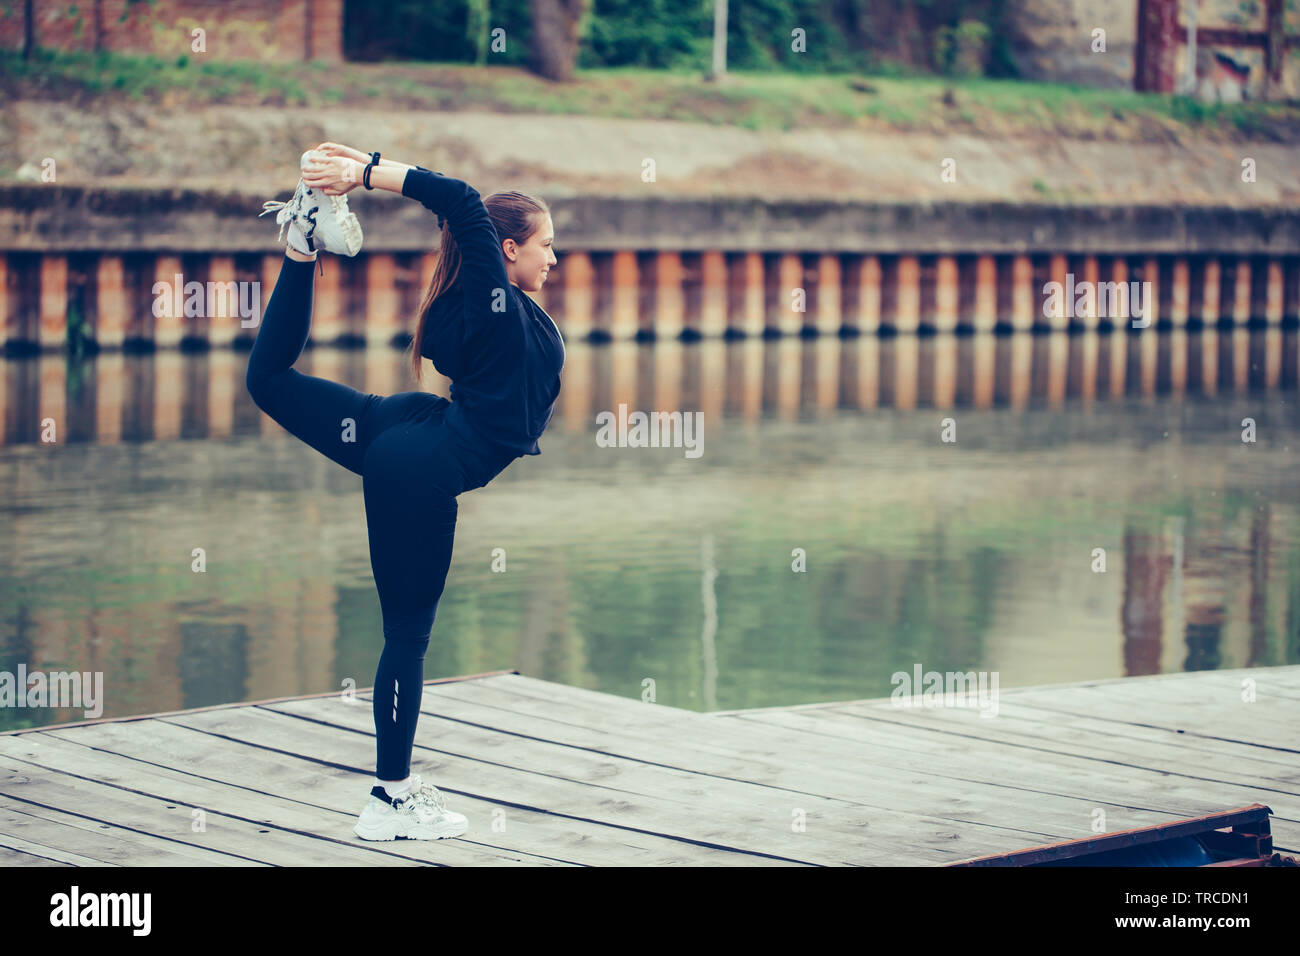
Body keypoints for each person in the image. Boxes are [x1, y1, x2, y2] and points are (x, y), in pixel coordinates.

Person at [245, 145, 564, 841]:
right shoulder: (492, 297)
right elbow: (459, 198)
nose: (554, 258)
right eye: (546, 245)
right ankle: (390, 799)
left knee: (267, 380)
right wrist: (364, 171)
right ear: (507, 249)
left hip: (410, 427)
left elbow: (463, 214)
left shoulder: (478, 300)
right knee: (407, 638)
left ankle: (302, 245)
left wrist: (357, 177)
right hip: (421, 464)